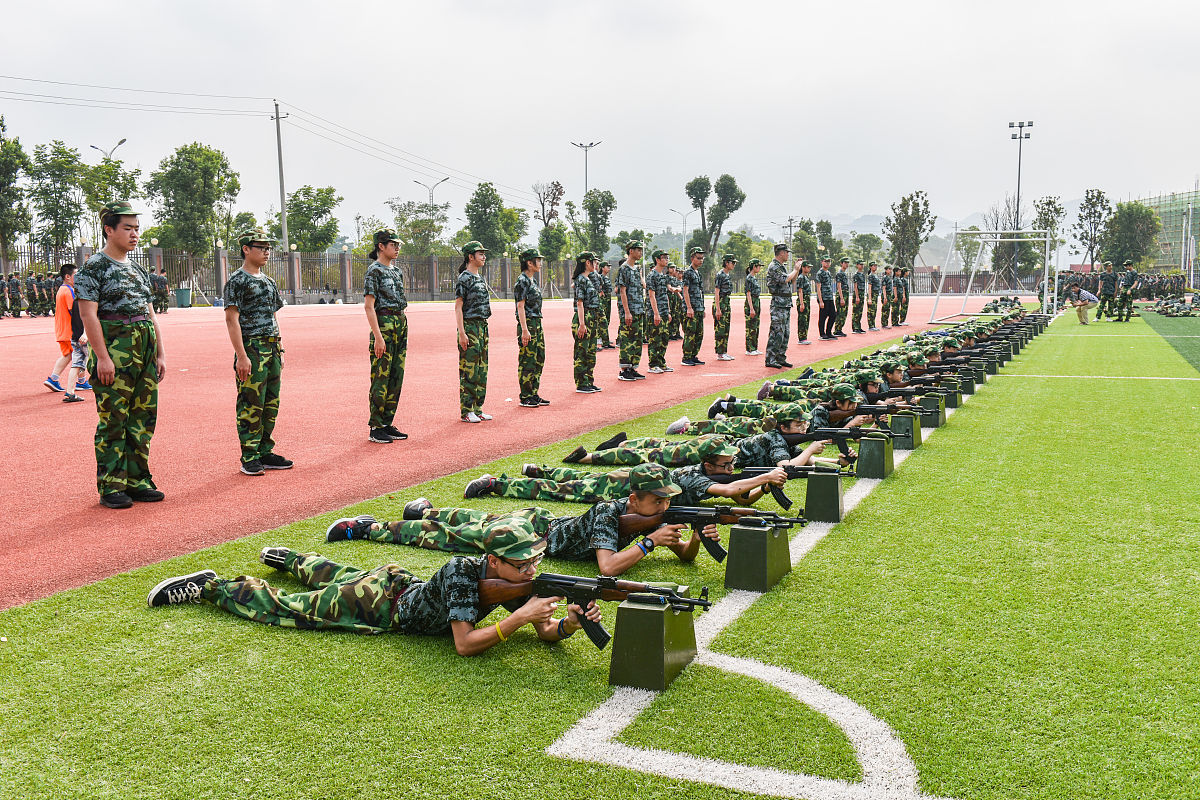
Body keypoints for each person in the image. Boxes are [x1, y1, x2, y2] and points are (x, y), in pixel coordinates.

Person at [147, 520, 602, 657]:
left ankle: (290, 559)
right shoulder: (465, 571)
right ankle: (213, 588)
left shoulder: (511, 580)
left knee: (337, 573)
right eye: (524, 564)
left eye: (535, 563)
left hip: (397, 582)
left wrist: (569, 625)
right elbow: (464, 645)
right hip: (382, 607)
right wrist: (518, 619)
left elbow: (545, 633)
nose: (532, 572)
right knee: (296, 608)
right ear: (496, 561)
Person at [330, 464, 723, 578]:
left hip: (545, 527)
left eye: (667, 501)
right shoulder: (610, 511)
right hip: (537, 534)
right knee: (458, 535)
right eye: (657, 501)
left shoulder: (651, 517)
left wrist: (693, 540)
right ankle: (367, 528)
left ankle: (424, 511)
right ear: (635, 498)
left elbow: (684, 556)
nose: (663, 507)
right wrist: (649, 542)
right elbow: (606, 568)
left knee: (476, 522)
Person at [75, 200, 165, 509]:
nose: (134, 234)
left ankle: (138, 480)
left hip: (144, 346)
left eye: (137, 228)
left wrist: (160, 353)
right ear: (109, 229)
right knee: (114, 418)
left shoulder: (138, 269)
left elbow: (150, 313)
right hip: (115, 347)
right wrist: (102, 357)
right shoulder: (93, 269)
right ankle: (112, 485)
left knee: (143, 417)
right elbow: (89, 316)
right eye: (127, 228)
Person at [462, 446, 787, 508]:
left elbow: (743, 494)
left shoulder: (709, 476)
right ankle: (496, 483)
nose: (732, 470)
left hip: (643, 480)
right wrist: (766, 476)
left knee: (575, 481)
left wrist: (766, 485)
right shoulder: (698, 481)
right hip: (627, 485)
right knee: (565, 492)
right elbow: (733, 493)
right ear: (711, 466)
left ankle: (539, 468)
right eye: (727, 466)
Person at [223, 228, 292, 475]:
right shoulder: (237, 281)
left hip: (271, 347)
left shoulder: (268, 282)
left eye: (268, 248)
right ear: (246, 249)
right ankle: (249, 455)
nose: (266, 251)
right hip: (251, 347)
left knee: (271, 402)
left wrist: (280, 348)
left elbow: (273, 316)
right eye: (261, 247)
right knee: (251, 403)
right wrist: (241, 355)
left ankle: (265, 451)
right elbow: (232, 320)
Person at [363, 228, 410, 442]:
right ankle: (376, 426)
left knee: (396, 376)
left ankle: (387, 422)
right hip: (384, 323)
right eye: (393, 244)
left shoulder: (397, 271)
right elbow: (369, 306)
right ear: (381, 246)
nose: (397, 248)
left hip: (400, 322)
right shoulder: (375, 271)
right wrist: (378, 336)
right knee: (381, 376)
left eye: (398, 245)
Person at [455, 241, 493, 422]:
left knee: (482, 369)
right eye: (480, 254)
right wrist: (462, 333)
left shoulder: (480, 278)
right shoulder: (465, 278)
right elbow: (458, 306)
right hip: (469, 327)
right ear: (471, 257)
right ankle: (466, 410)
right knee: (469, 369)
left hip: (482, 327)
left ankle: (478, 408)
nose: (483, 256)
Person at [51, 264, 92, 402]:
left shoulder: (65, 290)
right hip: (73, 331)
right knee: (82, 358)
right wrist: (85, 332)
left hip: (70, 331)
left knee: (74, 359)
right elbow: (78, 314)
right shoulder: (69, 292)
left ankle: (61, 382)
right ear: (68, 277)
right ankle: (78, 382)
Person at [514, 247, 548, 408]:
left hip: (537, 323)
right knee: (528, 359)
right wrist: (525, 329)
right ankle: (525, 395)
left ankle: (534, 393)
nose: (540, 263)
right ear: (529, 262)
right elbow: (520, 306)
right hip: (528, 324)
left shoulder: (533, 280)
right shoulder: (522, 281)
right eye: (538, 260)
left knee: (539, 358)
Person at [615, 240, 647, 381]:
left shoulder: (636, 269)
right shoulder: (624, 269)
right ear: (631, 251)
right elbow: (622, 291)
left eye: (641, 250)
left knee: (637, 339)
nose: (640, 252)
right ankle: (624, 370)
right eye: (638, 250)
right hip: (629, 310)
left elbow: (643, 286)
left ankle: (633, 367)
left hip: (639, 309)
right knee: (627, 339)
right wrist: (627, 311)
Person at [572, 251, 601, 393]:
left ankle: (589, 381)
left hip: (591, 316)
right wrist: (582, 324)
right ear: (587, 263)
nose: (595, 264)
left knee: (590, 352)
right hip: (584, 317)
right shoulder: (580, 280)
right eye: (593, 261)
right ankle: (581, 383)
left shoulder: (587, 279)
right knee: (582, 352)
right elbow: (579, 303)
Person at [764, 243, 798, 368]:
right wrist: (795, 269)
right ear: (781, 252)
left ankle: (780, 357)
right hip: (778, 304)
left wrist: (797, 270)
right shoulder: (774, 266)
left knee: (785, 333)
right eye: (786, 252)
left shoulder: (781, 267)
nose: (788, 254)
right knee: (776, 332)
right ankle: (770, 359)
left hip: (785, 304)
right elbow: (785, 279)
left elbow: (792, 281)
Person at [644, 248, 674, 374]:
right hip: (654, 312)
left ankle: (661, 362)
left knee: (664, 338)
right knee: (654, 339)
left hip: (663, 311)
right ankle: (653, 364)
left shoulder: (663, 276)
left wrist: (667, 311)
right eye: (664, 258)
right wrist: (656, 313)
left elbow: (664, 295)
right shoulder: (652, 275)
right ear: (657, 260)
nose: (666, 260)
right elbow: (651, 295)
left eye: (667, 258)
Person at [680, 247, 707, 366]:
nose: (701, 260)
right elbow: (685, 290)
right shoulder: (688, 273)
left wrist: (703, 307)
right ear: (692, 258)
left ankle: (693, 355)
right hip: (692, 308)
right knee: (690, 332)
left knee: (699, 333)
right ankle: (686, 357)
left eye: (702, 258)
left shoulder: (698, 273)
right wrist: (689, 307)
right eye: (698, 258)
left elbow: (701, 292)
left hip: (699, 307)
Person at [712, 254, 736, 361]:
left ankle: (724, 351)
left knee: (726, 328)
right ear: (727, 263)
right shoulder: (720, 275)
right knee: (720, 329)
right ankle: (720, 353)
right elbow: (717, 292)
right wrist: (718, 308)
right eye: (732, 263)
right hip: (720, 302)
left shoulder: (727, 275)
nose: (734, 265)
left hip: (726, 302)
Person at [744, 258, 762, 355]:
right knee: (750, 326)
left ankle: (754, 347)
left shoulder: (754, 278)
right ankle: (750, 349)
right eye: (758, 266)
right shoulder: (749, 278)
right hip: (751, 302)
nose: (759, 268)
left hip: (757, 302)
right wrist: (751, 308)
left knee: (756, 326)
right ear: (754, 267)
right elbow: (748, 294)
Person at [815, 257, 837, 340]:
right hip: (823, 297)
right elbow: (818, 287)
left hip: (829, 297)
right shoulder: (820, 273)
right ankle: (822, 333)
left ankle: (828, 332)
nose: (827, 263)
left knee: (833, 315)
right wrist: (820, 300)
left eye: (829, 262)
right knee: (823, 316)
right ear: (822, 262)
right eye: (826, 261)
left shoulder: (828, 272)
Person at [596, 261, 615, 349]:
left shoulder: (605, 277)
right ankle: (599, 336)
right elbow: (598, 287)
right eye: (607, 266)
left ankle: (604, 336)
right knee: (602, 319)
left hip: (608, 298)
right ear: (602, 268)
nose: (609, 268)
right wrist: (600, 292)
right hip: (603, 299)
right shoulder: (600, 277)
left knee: (607, 317)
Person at [795, 259, 812, 345]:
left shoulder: (805, 277)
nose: (809, 269)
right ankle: (802, 338)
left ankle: (804, 337)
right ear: (803, 267)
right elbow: (800, 291)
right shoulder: (801, 277)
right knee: (802, 319)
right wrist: (802, 303)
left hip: (807, 299)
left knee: (806, 319)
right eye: (808, 267)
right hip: (803, 299)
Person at [667, 262, 685, 341]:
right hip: (669, 299)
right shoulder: (666, 278)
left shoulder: (675, 279)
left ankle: (674, 333)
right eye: (671, 267)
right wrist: (675, 289)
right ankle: (669, 333)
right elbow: (670, 288)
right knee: (670, 315)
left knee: (675, 316)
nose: (673, 269)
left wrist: (675, 289)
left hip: (675, 299)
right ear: (668, 269)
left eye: (674, 267)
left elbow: (679, 288)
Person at [833, 257, 851, 336]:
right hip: (842, 294)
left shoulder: (843, 273)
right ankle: (837, 330)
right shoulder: (839, 273)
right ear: (841, 263)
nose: (846, 264)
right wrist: (841, 298)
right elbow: (839, 286)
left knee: (844, 313)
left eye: (847, 263)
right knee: (840, 313)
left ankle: (839, 329)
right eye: (845, 262)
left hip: (845, 294)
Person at [851, 260, 867, 333]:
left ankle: (858, 326)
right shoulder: (856, 275)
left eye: (862, 264)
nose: (862, 266)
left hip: (862, 293)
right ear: (857, 265)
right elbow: (855, 286)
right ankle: (855, 327)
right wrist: (857, 296)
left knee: (860, 311)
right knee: (856, 311)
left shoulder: (863, 275)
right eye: (860, 264)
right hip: (857, 294)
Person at [866, 262, 881, 330]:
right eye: (874, 266)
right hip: (872, 295)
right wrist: (869, 298)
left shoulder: (875, 275)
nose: (875, 267)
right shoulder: (871, 275)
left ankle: (873, 325)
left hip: (875, 295)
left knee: (874, 310)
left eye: (876, 265)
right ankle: (871, 326)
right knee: (871, 311)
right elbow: (869, 287)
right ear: (870, 267)